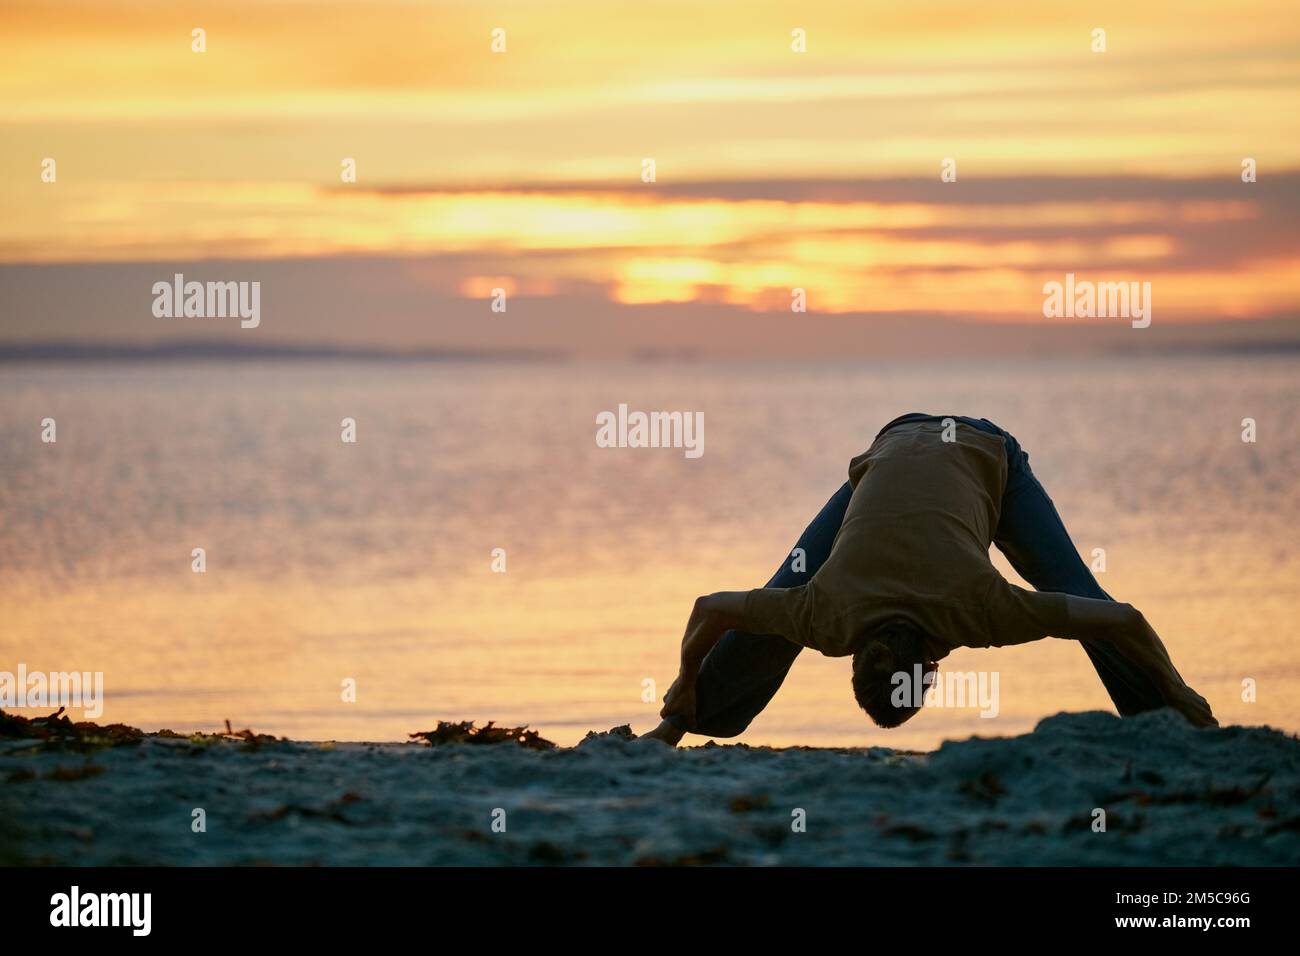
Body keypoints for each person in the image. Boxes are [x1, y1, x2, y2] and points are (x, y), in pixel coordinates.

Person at [641, 413, 1216, 746]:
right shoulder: (826, 616)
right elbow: (710, 607)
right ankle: (679, 718)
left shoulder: (982, 610)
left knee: (1083, 601)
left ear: (934, 666)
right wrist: (685, 676)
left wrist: (1177, 690)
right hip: (891, 447)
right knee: (773, 595)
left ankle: (1177, 723)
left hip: (983, 455)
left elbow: (1123, 621)